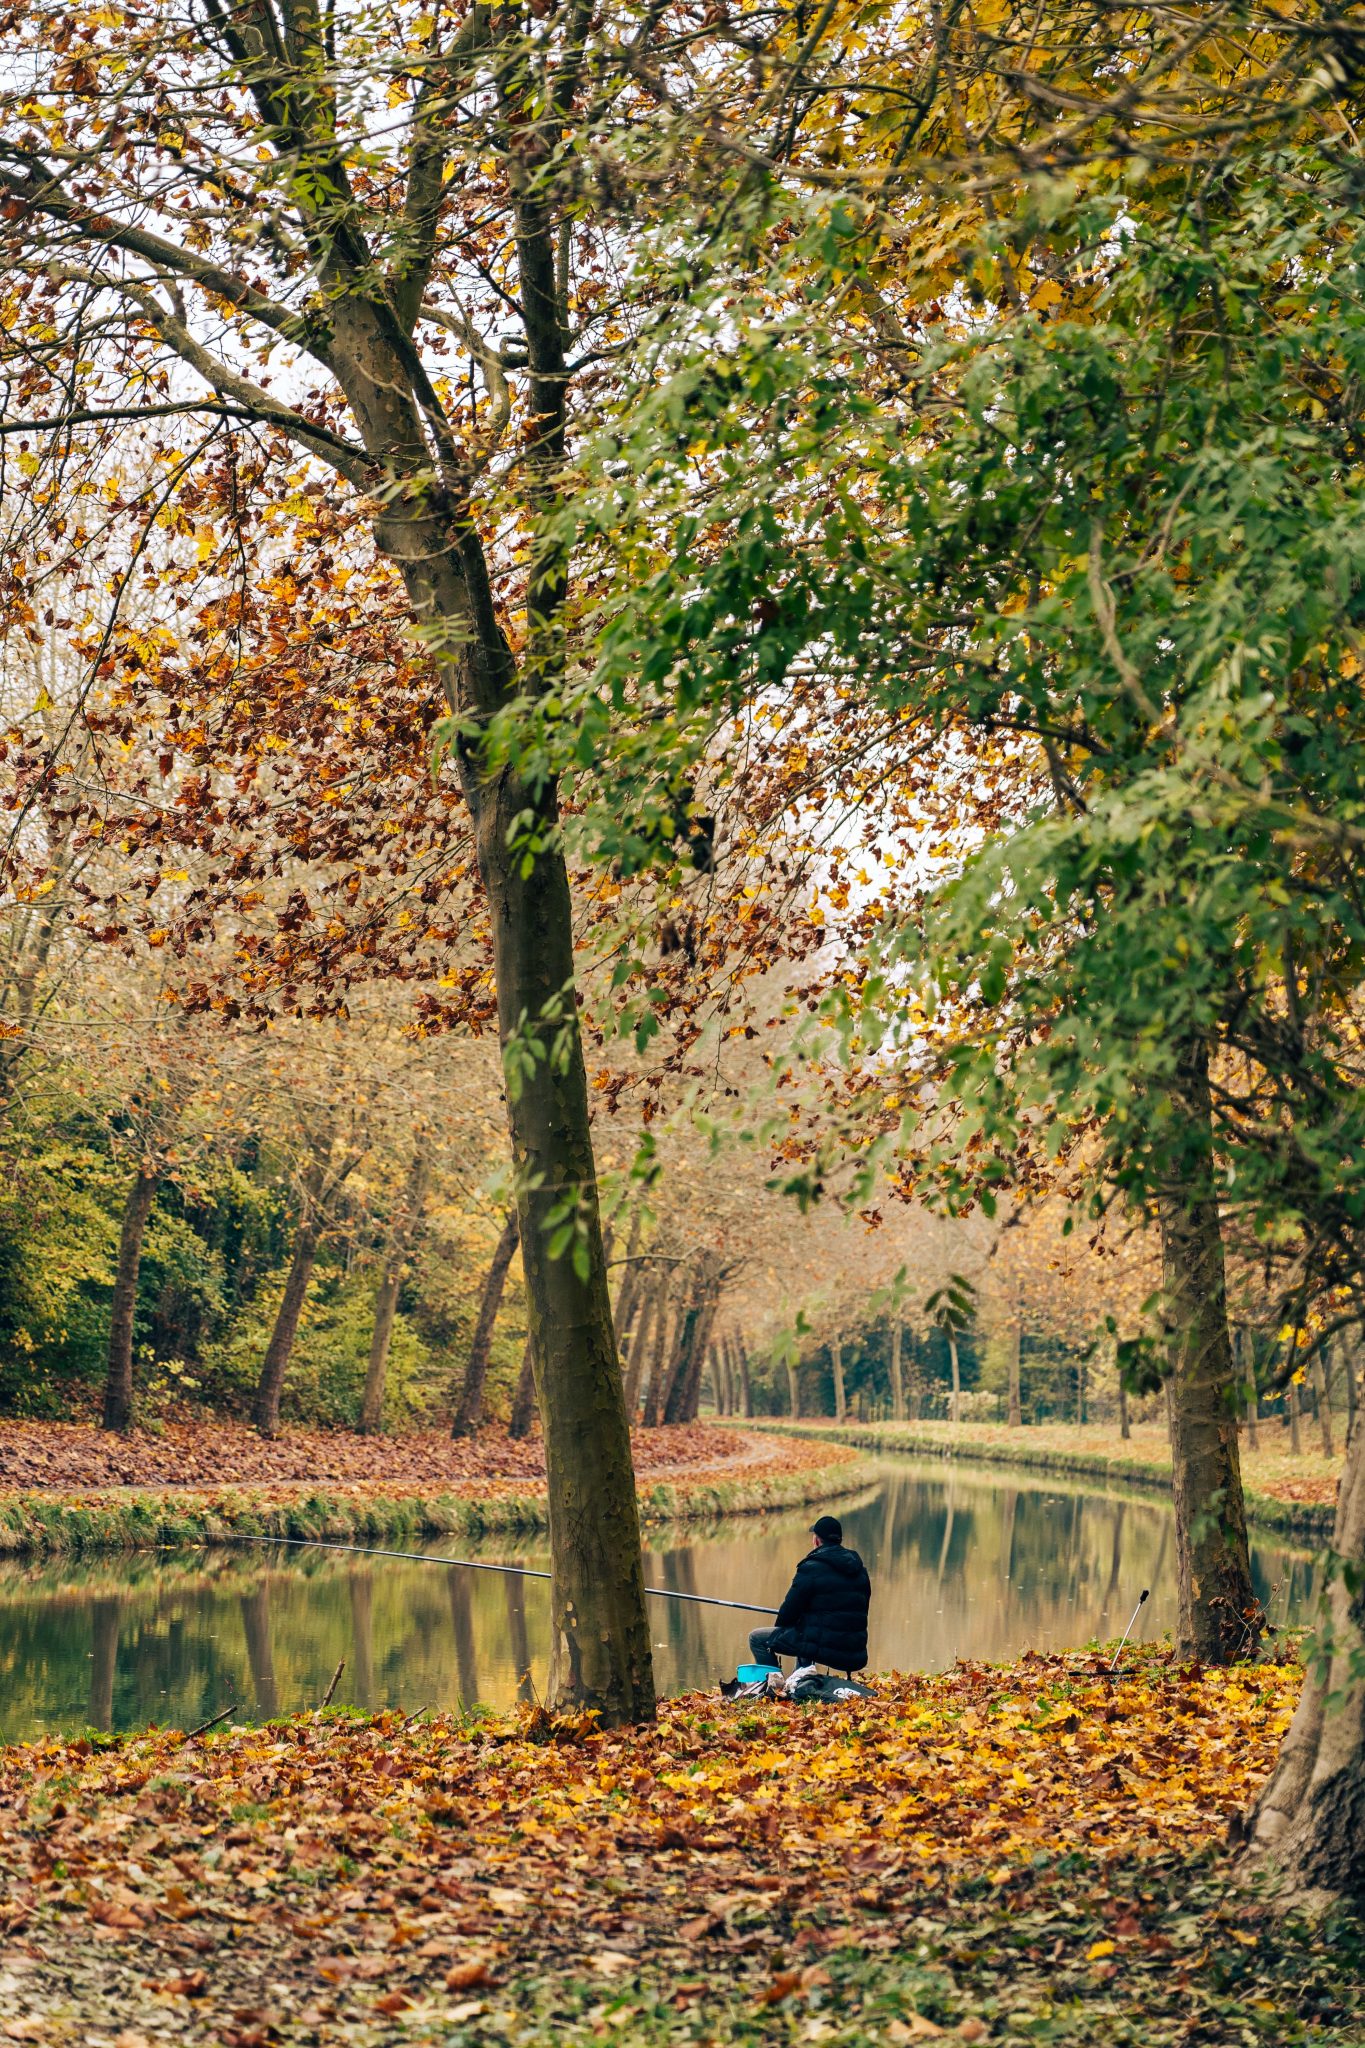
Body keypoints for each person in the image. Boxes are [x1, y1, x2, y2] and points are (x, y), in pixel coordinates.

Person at [749, 1514, 871, 1675]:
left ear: (817, 1541)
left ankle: (774, 1687)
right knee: (807, 1632)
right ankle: (799, 1680)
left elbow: (789, 1611)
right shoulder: (860, 1570)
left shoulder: (811, 1567)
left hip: (825, 1646)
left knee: (757, 1638)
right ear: (838, 1540)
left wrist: (784, 1627)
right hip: (855, 1651)